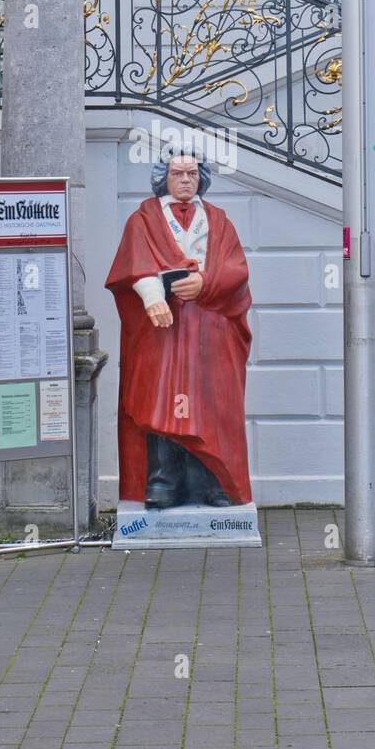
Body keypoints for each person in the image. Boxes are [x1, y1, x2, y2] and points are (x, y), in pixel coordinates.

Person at [105, 150, 253, 509]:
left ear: (201, 178)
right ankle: (163, 480)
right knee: (160, 401)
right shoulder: (143, 219)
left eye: (191, 173)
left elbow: (236, 269)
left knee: (212, 404)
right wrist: (153, 296)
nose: (185, 180)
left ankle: (213, 480)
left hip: (209, 328)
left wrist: (206, 283)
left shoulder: (219, 220)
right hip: (163, 330)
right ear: (164, 178)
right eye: (177, 173)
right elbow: (133, 264)